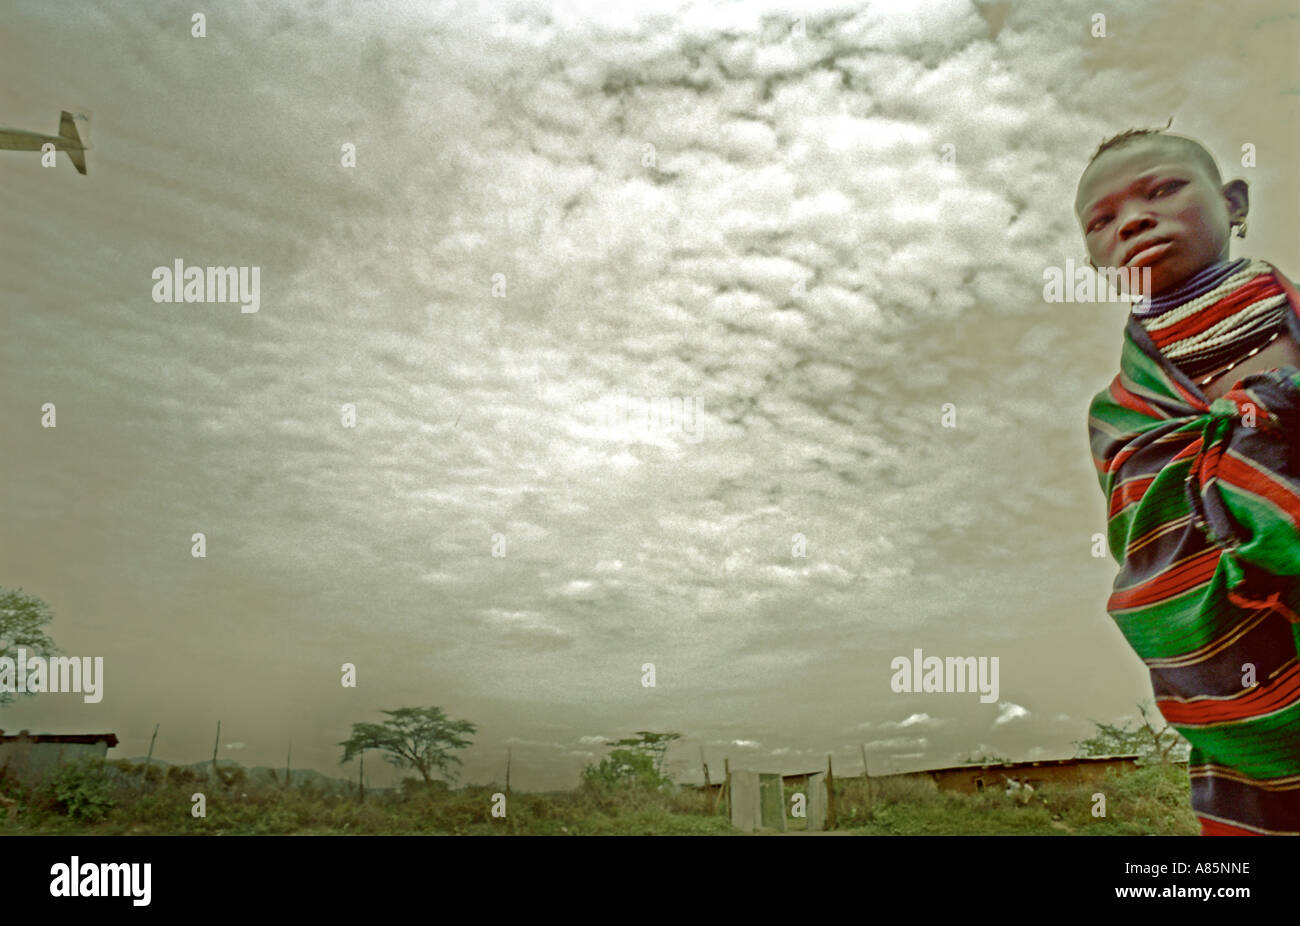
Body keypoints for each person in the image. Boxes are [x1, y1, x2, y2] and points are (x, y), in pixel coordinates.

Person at [1082, 127, 1300, 834]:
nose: (1133, 221)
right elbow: (1159, 554)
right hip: (1259, 694)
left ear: (1234, 203)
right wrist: (1256, 427)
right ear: (1094, 259)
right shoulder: (1123, 412)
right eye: (1102, 220)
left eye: (1162, 190)